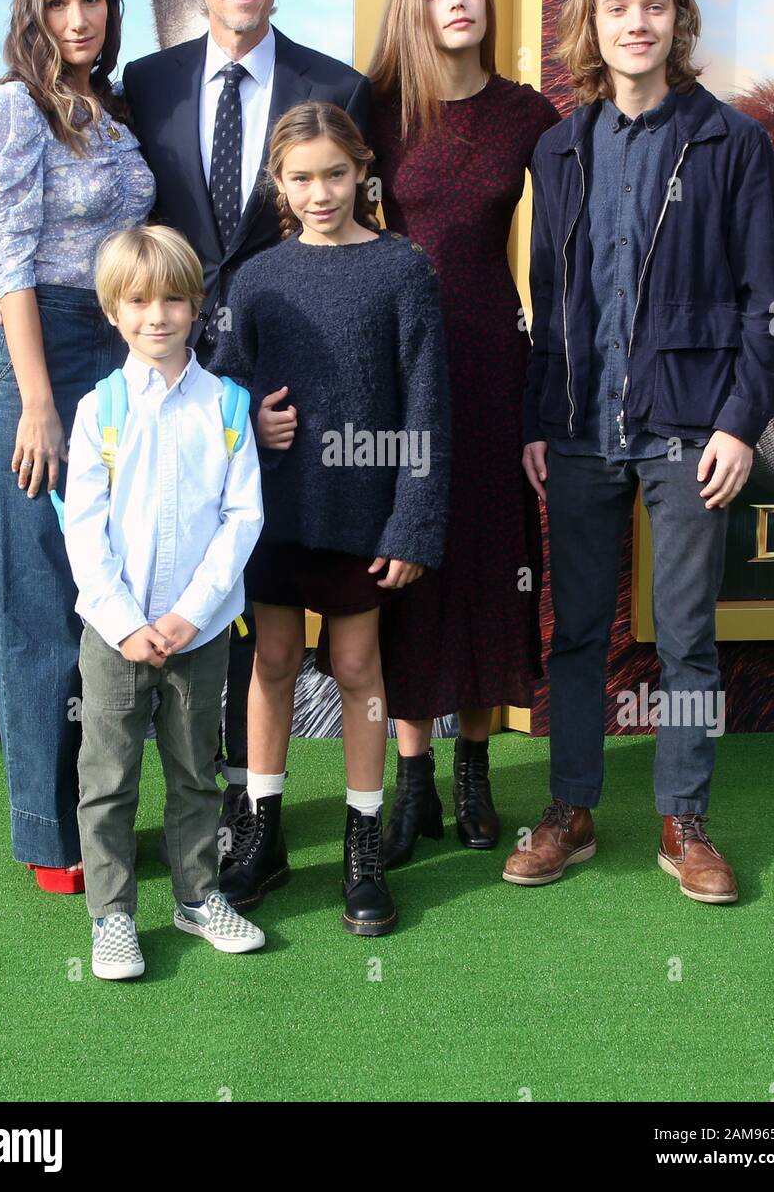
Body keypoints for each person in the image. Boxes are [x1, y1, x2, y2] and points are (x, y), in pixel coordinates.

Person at [504, 0, 774, 903]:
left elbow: (762, 299)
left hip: (689, 428)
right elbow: (547, 295)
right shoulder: (560, 146)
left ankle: (685, 820)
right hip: (581, 429)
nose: (636, 23)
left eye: (654, 7)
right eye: (618, 7)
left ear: (678, 22)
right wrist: (543, 416)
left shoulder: (733, 144)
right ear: (592, 23)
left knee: (686, 638)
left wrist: (741, 423)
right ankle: (571, 810)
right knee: (577, 632)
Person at [122, 0, 371, 813]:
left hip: (290, 393)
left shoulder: (337, 88)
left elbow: (343, 256)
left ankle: (250, 804)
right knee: (188, 581)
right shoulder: (146, 85)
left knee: (264, 603)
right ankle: (198, 804)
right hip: (175, 375)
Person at [212, 102, 450, 935]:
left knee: (357, 670)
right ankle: (261, 834)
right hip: (275, 513)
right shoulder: (257, 279)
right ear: (278, 182)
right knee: (271, 661)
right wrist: (254, 421)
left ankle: (361, 843)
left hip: (366, 511)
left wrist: (413, 523)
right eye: (302, 178)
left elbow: (427, 404)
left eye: (336, 175)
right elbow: (221, 392)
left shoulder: (402, 269)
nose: (321, 193)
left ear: (364, 172)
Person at [0, 0, 155, 892]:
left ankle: (106, 809)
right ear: (31, 14)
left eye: (94, 2)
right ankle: (51, 833)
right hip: (46, 353)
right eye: (59, 4)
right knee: (39, 598)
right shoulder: (11, 110)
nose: (79, 20)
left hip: (125, 353)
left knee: (110, 588)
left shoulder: (114, 113)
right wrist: (36, 399)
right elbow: (10, 262)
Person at [361, 0, 559, 865]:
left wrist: (547, 400)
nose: (456, 0)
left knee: (489, 559)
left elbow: (560, 265)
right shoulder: (375, 112)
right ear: (414, 3)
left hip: (491, 364)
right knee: (407, 564)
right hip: (396, 367)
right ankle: (413, 784)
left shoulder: (529, 114)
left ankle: (474, 773)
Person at [63, 225, 264, 978]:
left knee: (194, 772)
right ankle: (113, 916)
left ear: (197, 305)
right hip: (114, 636)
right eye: (139, 300)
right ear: (113, 311)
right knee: (107, 777)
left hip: (201, 632)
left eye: (173, 298)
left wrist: (189, 614)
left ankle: (197, 896)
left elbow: (243, 518)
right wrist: (124, 623)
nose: (158, 315)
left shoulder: (228, 407)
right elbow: (83, 530)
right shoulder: (99, 411)